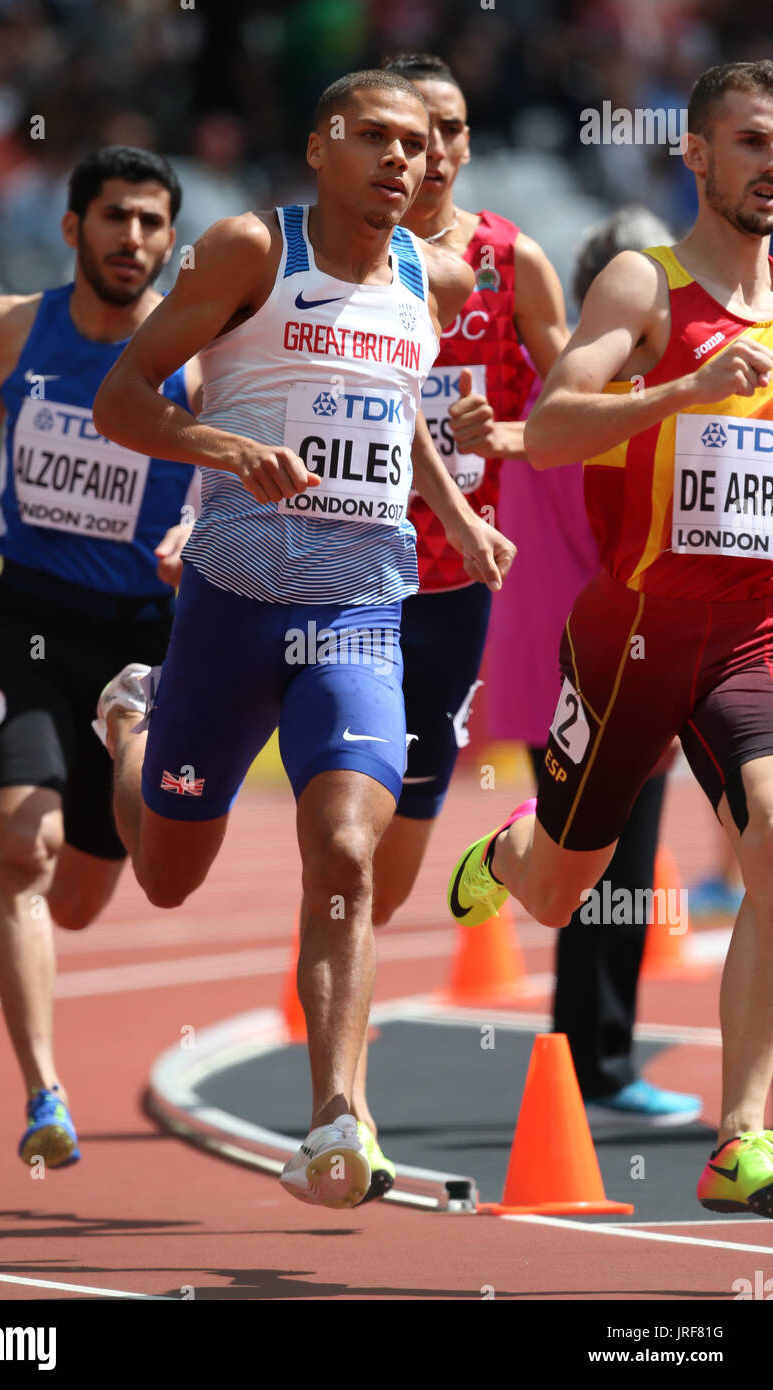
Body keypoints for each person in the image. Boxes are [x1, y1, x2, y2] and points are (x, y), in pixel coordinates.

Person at [91, 69, 516, 1210]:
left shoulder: (442, 276)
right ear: (323, 145)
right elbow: (121, 403)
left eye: (421, 143)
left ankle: (337, 1116)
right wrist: (227, 452)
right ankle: (129, 721)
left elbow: (396, 412)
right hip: (229, 606)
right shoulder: (248, 252)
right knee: (167, 873)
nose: (402, 159)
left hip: (357, 611)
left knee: (343, 847)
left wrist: (460, 513)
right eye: (374, 136)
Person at [448, 60, 773, 1217]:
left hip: (751, 638)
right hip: (631, 633)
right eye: (748, 141)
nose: (768, 163)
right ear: (695, 155)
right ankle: (516, 851)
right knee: (557, 893)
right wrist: (678, 390)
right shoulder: (646, 284)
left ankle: (744, 1134)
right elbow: (547, 427)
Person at [0, 146, 200, 1170]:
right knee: (19, 855)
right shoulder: (8, 327)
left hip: (140, 636)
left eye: (153, 224)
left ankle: (124, 758)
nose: (133, 240)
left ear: (171, 240)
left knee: (80, 896)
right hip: (29, 621)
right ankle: (45, 1092)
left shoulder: (192, 355)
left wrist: (192, 532)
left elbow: (237, 479)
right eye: (115, 217)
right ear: (74, 226)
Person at [341, 52, 566, 1189]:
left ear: (464, 144)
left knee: (384, 875)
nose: (432, 150)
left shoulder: (506, 258)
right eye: (413, 131)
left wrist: (509, 433)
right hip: (341, 574)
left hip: (453, 594)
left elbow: (577, 408)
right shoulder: (346, 256)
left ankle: (341, 1080)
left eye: (451, 128)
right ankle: (346, 1112)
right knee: (339, 847)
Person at [487, 207, 702, 1125]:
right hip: (608, 662)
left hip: (549, 656)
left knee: (595, 870)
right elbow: (621, 550)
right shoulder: (616, 406)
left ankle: (590, 1052)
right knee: (616, 873)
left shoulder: (547, 390)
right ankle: (598, 1061)